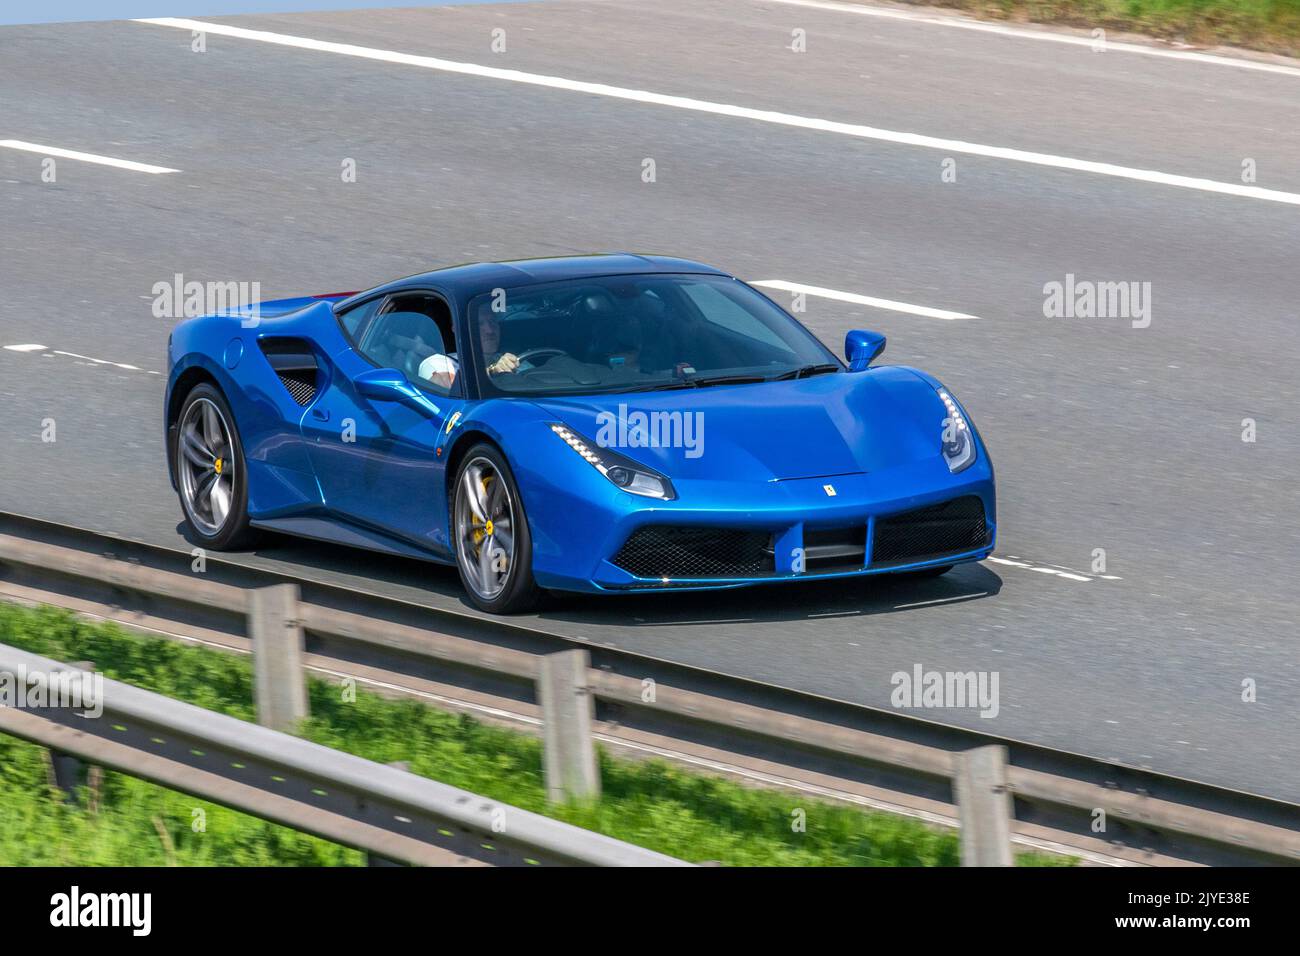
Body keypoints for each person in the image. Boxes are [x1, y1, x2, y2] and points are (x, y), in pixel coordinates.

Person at [416, 303, 521, 389]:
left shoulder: (508, 360)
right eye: (478, 324)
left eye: (492, 321)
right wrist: (492, 372)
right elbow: (450, 388)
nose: (489, 330)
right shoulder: (440, 362)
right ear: (459, 330)